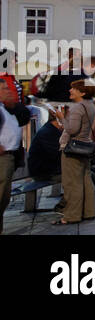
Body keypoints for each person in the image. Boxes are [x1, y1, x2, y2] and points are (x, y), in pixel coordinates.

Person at [53, 80, 95, 225]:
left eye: (73, 89)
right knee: (85, 180)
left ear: (82, 92)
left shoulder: (77, 108)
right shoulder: (90, 106)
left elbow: (72, 130)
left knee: (72, 183)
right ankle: (88, 211)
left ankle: (72, 215)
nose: (70, 91)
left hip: (72, 148)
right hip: (85, 147)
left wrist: (61, 118)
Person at [0, 78, 33, 233]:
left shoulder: (6, 108)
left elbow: (24, 116)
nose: (8, 91)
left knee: (4, 197)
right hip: (2, 157)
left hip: (10, 156)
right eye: (4, 89)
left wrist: (13, 104)